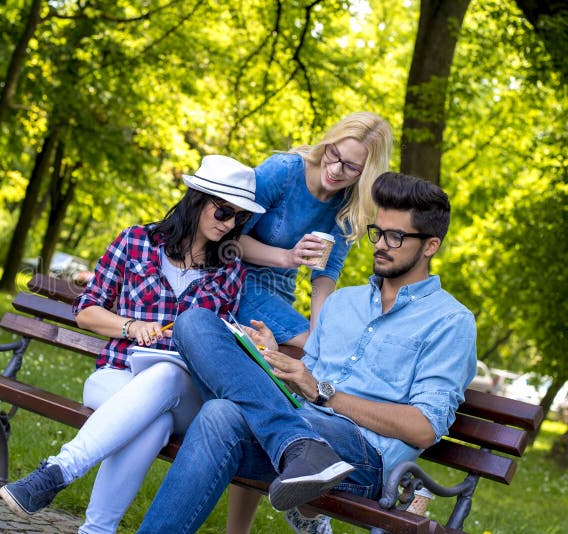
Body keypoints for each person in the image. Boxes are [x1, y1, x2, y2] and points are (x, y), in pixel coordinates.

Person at [136, 172, 478, 533]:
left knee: (223, 412)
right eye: (378, 233)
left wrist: (323, 393)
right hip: (296, 424)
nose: (380, 244)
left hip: (362, 456)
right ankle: (298, 448)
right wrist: (269, 359)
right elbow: (305, 381)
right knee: (194, 324)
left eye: (396, 237)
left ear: (430, 245)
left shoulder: (450, 322)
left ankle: (302, 448)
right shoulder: (343, 303)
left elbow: (424, 428)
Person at [0, 155, 266, 534]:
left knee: (169, 374)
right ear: (196, 199)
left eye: (240, 218)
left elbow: (220, 341)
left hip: (187, 392)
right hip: (116, 375)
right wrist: (129, 325)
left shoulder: (229, 269)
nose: (230, 224)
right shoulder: (135, 242)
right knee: (152, 425)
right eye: (224, 211)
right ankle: (95, 530)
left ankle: (59, 469)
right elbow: (86, 310)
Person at [228, 111, 392, 533]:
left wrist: (322, 340)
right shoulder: (283, 171)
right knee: (299, 366)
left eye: (350, 167)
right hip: (232, 279)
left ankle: (296, 493)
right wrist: (285, 257)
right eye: (333, 155)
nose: (334, 170)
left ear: (365, 173)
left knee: (291, 378)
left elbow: (325, 279)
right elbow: (225, 235)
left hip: (276, 297)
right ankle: (305, 495)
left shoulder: (346, 209)